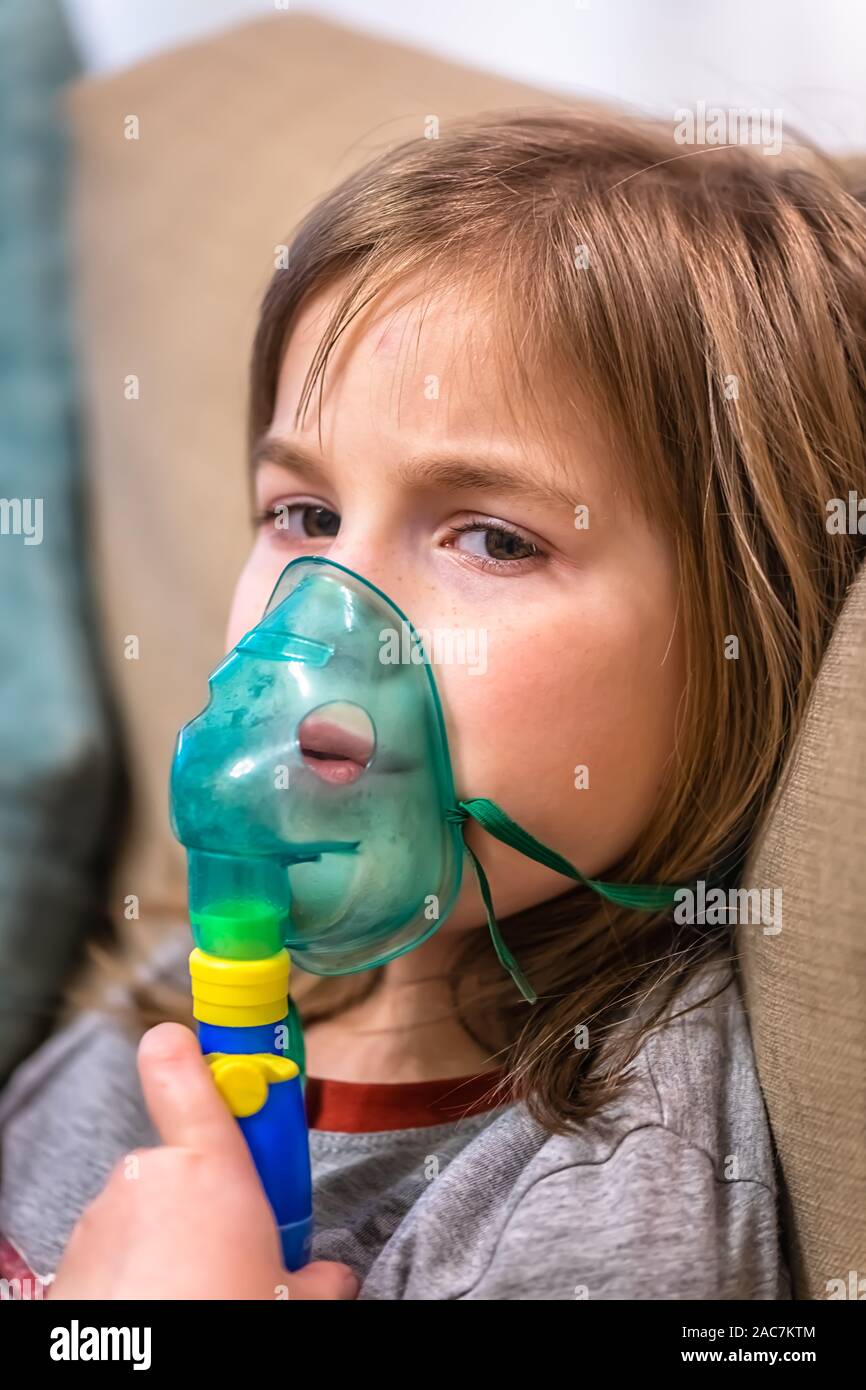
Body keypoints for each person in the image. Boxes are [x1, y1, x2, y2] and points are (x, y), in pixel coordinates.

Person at [4, 109, 866, 1299]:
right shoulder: (174, 984)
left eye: (492, 538)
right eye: (303, 516)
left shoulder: (600, 1200)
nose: (324, 621)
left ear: (745, 639)